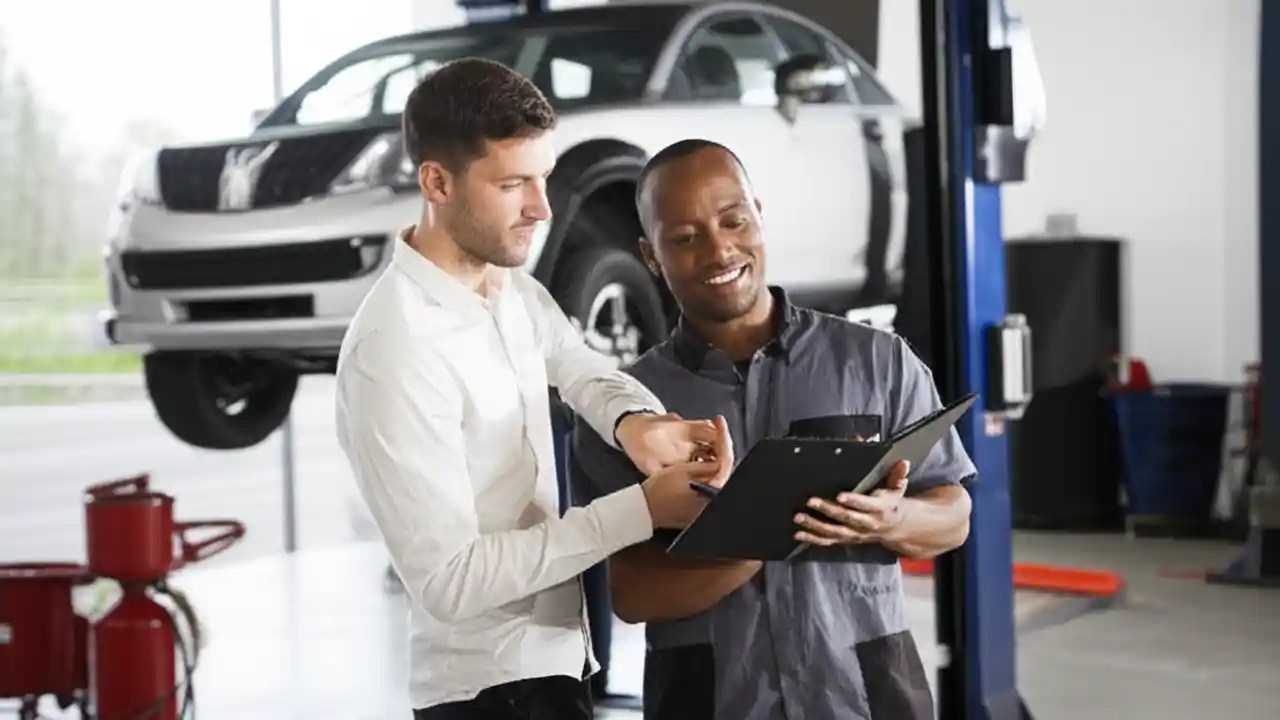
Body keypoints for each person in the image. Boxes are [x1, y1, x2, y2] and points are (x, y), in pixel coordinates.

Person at [334, 61, 733, 720]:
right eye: (513, 183)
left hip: (552, 669)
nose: (542, 209)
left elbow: (576, 364)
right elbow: (450, 581)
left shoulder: (508, 288)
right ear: (436, 181)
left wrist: (635, 421)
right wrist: (640, 510)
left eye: (543, 178)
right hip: (486, 694)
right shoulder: (394, 350)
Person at [572, 139, 976, 720]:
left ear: (759, 213)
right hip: (714, 704)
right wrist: (758, 541)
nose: (719, 251)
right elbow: (633, 593)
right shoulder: (631, 413)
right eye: (685, 239)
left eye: (734, 220)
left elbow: (954, 512)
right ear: (651, 255)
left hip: (866, 700)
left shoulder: (876, 362)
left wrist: (895, 519)